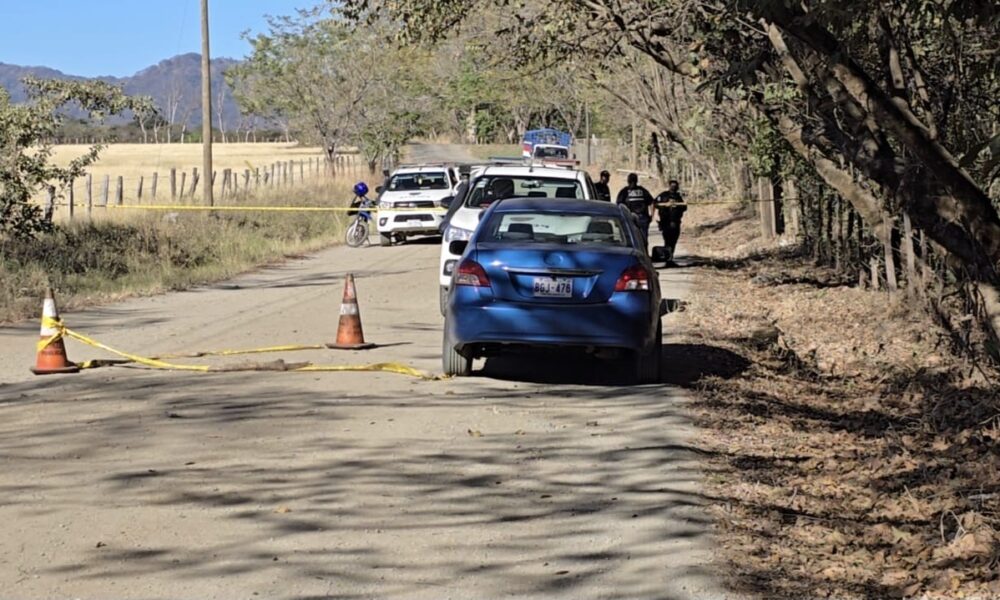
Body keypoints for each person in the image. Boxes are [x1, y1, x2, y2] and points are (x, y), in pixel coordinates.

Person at [655, 179, 687, 266]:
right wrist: (666, 204)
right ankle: (668, 259)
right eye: (672, 186)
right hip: (666, 222)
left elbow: (684, 207)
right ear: (669, 186)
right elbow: (655, 203)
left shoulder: (678, 197)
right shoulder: (663, 195)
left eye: (675, 186)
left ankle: (670, 258)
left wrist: (678, 205)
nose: (673, 188)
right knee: (667, 241)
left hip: (676, 222)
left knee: (673, 241)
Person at [615, 172, 654, 241]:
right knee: (642, 240)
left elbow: (619, 205)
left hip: (632, 217)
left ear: (628, 181)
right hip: (638, 218)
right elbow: (652, 203)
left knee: (631, 240)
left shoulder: (624, 191)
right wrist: (651, 216)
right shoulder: (642, 190)